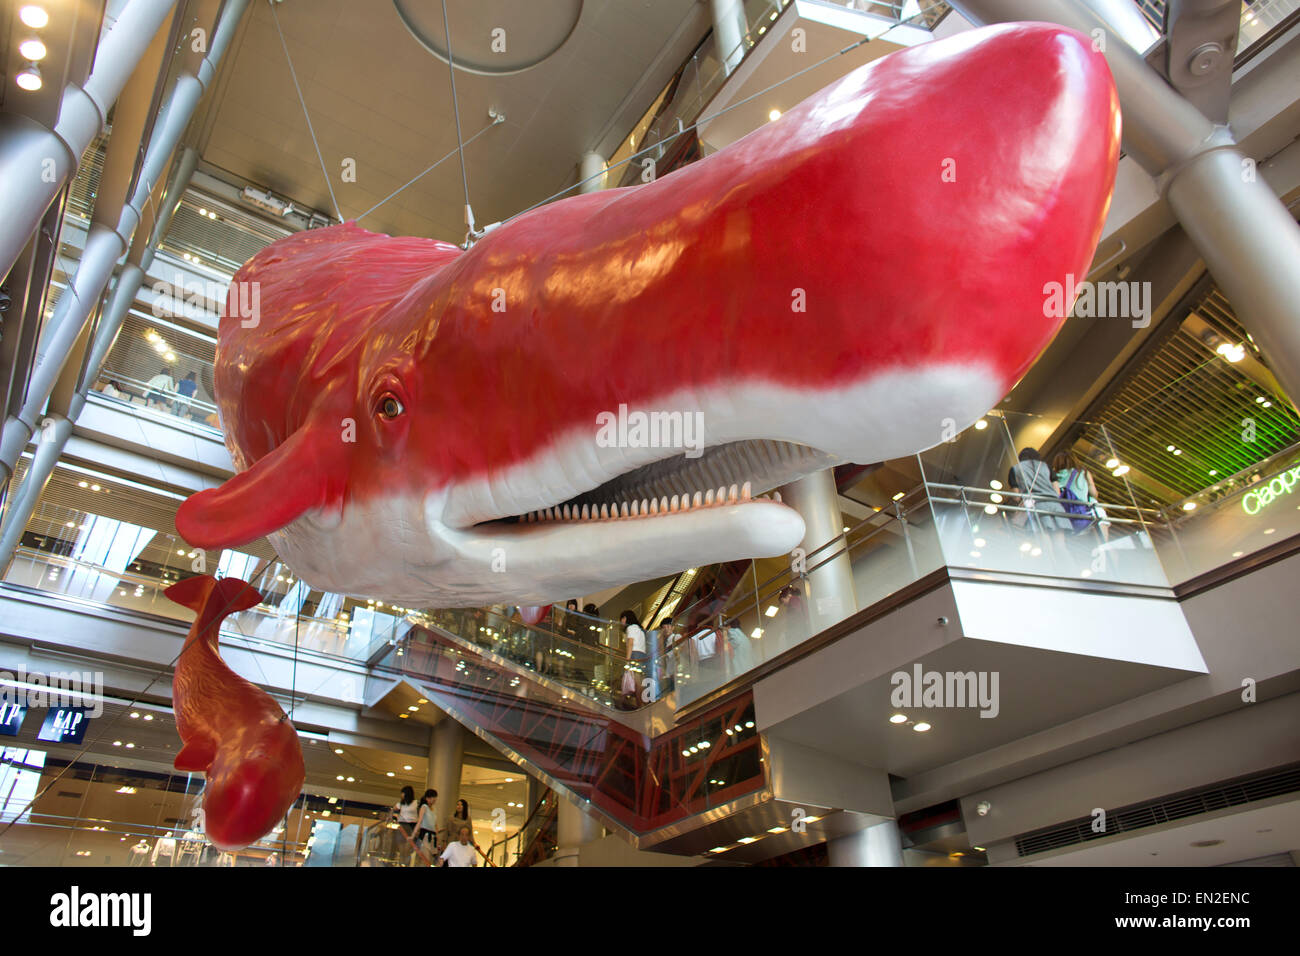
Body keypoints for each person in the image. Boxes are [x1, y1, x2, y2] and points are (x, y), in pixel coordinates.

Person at [1007, 447, 1069, 552]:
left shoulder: (1015, 469)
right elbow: (1057, 492)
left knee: (1046, 546)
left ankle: (1051, 567)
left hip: (1037, 508)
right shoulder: (1047, 467)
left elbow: (1017, 497)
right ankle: (1067, 568)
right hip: (1055, 507)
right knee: (1061, 546)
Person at [1051, 451, 1110, 543]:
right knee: (1100, 517)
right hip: (1085, 512)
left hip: (1067, 518)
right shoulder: (1082, 472)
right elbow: (1094, 493)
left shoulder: (1054, 477)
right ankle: (1103, 549)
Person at [391, 785, 419, 852]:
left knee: (408, 847)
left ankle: (405, 861)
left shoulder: (416, 803)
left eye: (403, 793)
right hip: (402, 825)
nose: (402, 795)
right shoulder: (400, 804)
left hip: (412, 825)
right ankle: (402, 860)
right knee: (401, 847)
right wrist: (394, 817)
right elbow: (392, 810)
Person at [414, 788, 438, 860]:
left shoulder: (434, 809)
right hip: (425, 835)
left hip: (432, 836)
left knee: (429, 858)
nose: (434, 799)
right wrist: (413, 834)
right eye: (432, 797)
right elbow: (420, 821)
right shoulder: (424, 807)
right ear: (427, 798)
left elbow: (435, 825)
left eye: (434, 797)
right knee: (425, 858)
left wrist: (437, 836)